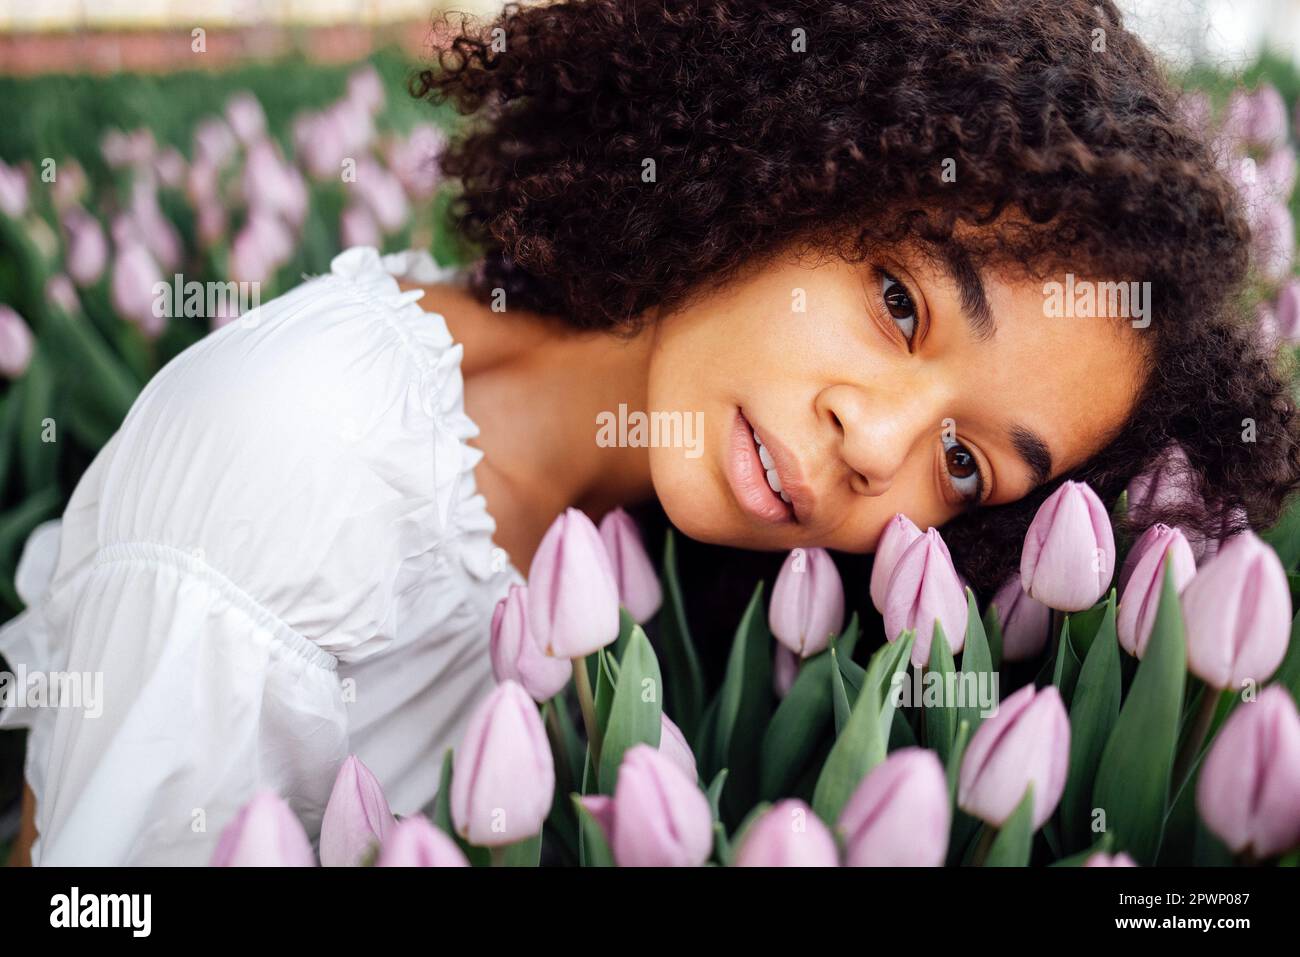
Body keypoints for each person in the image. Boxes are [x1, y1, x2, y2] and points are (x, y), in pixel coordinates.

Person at [3, 0, 1297, 864]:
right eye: (899, 302)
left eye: (964, 464)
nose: (873, 444)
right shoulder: (301, 466)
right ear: (806, 161)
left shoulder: (653, 542)